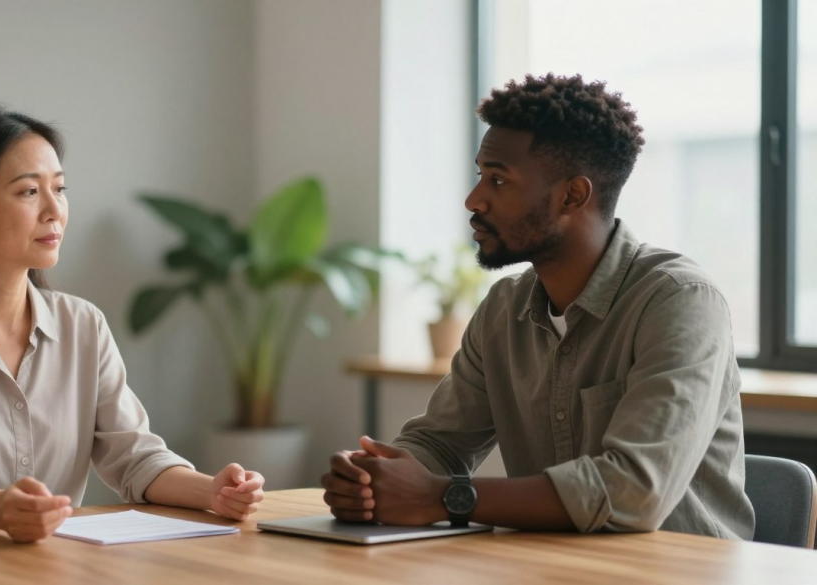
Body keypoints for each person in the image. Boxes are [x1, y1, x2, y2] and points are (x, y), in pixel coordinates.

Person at [321, 73, 755, 539]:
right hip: (549, 568)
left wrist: (439, 496)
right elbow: (439, 444)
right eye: (480, 175)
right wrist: (374, 481)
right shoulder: (503, 309)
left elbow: (635, 491)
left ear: (573, 195)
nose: (474, 199)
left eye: (499, 179)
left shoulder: (681, 303)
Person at [0, 106, 264, 543]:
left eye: (60, 189)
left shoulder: (83, 323)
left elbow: (134, 456)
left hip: (50, 565)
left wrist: (213, 491)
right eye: (29, 192)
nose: (55, 211)